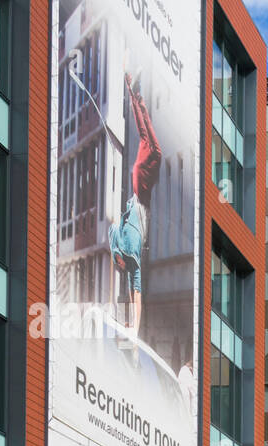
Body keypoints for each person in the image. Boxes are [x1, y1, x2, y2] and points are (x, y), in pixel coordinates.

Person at [109, 74, 163, 340]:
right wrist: (135, 327)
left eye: (117, 263)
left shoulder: (116, 242)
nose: (120, 264)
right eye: (120, 265)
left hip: (138, 189)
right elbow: (136, 296)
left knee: (150, 146)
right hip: (143, 192)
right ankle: (134, 89)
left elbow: (112, 224)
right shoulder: (134, 265)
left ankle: (133, 88)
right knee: (151, 144)